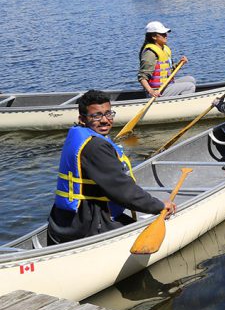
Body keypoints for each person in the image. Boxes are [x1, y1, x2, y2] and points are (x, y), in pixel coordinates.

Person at [47, 90, 177, 245]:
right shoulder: (95, 146)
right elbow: (123, 189)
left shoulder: (80, 135)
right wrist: (159, 205)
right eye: (96, 116)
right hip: (87, 224)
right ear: (82, 119)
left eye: (108, 114)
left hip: (64, 220)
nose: (105, 120)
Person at [138, 21, 196, 97]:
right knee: (190, 86)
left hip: (167, 85)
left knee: (191, 79)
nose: (166, 36)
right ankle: (179, 105)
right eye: (163, 34)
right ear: (154, 37)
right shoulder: (150, 53)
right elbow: (142, 77)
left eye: (166, 33)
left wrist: (180, 64)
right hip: (158, 90)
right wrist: (151, 91)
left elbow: (169, 71)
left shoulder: (164, 49)